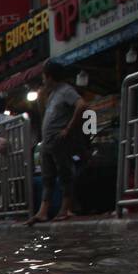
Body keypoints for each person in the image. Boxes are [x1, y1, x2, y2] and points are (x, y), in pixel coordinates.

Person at [28, 60, 89, 224]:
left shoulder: (66, 90)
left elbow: (81, 105)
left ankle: (65, 208)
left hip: (59, 139)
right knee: (48, 177)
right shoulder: (52, 94)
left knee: (65, 174)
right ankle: (43, 212)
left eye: (43, 76)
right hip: (48, 142)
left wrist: (68, 129)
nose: (42, 80)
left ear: (49, 76)